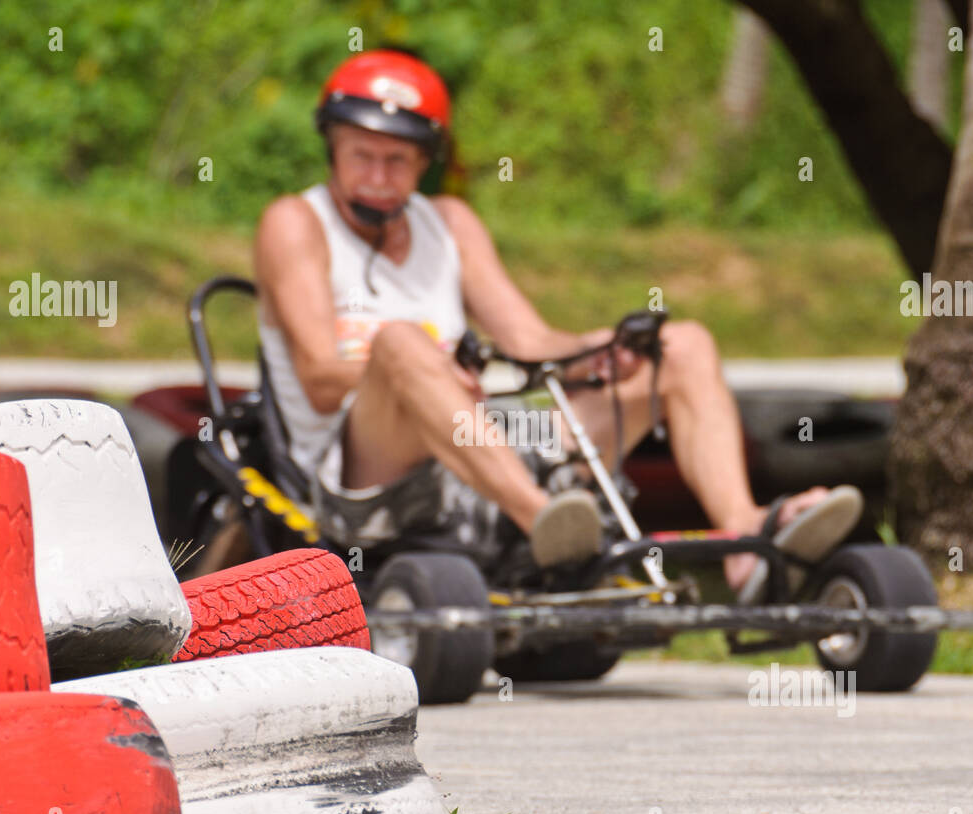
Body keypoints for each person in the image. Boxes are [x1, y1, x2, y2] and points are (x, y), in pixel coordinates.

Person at [255, 49, 863, 600]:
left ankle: (746, 539)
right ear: (332, 147)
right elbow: (318, 375)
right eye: (363, 156)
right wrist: (428, 367)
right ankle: (543, 520)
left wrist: (604, 349)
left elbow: (531, 344)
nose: (380, 177)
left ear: (425, 163)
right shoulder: (296, 223)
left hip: (476, 445)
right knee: (399, 341)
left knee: (683, 346)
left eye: (397, 161)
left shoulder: (449, 224)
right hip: (359, 471)